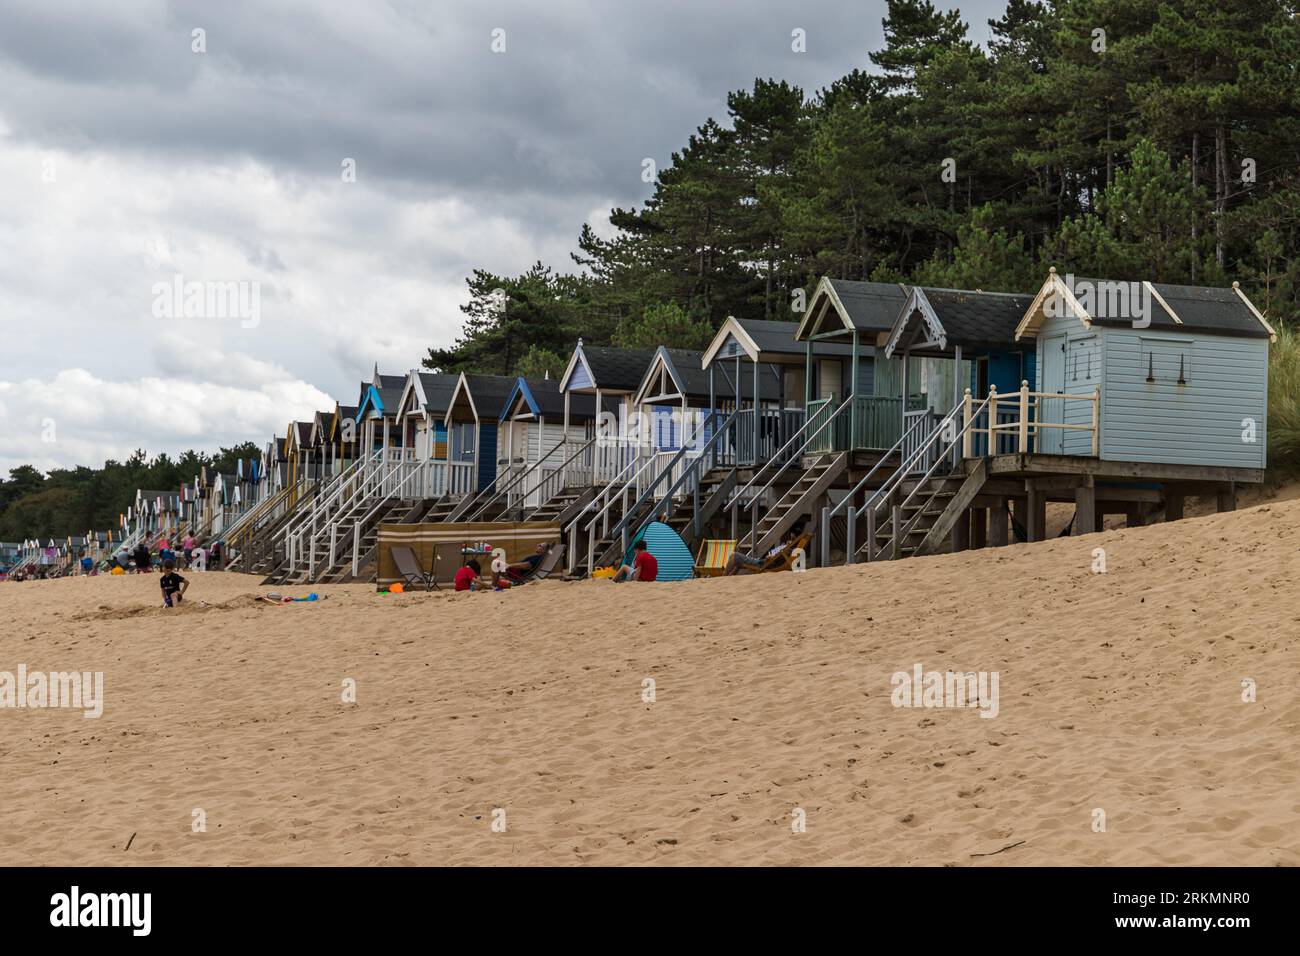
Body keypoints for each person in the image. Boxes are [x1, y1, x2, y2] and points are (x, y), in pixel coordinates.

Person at [724, 522, 806, 576]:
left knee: (734, 556)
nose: (789, 538)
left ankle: (723, 576)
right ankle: (728, 578)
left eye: (791, 537)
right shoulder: (791, 549)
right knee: (738, 562)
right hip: (765, 562)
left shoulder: (788, 550)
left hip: (763, 563)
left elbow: (777, 557)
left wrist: (771, 557)